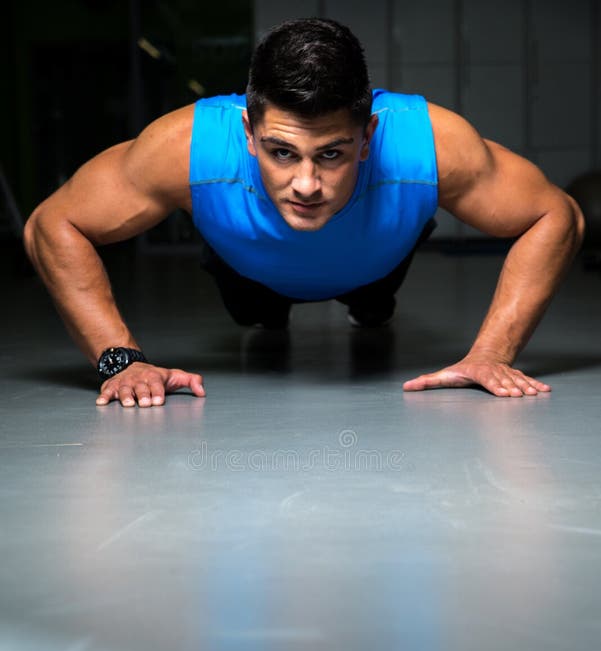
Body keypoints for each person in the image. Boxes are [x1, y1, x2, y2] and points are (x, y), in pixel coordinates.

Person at [23, 17, 584, 408]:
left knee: (373, 305)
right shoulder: (184, 147)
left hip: (375, 262)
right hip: (248, 269)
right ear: (248, 132)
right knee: (257, 318)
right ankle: (269, 304)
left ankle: (370, 301)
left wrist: (492, 354)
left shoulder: (431, 144)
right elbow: (53, 222)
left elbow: (557, 215)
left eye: (332, 153)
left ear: (369, 135)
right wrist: (118, 361)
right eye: (282, 152)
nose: (307, 184)